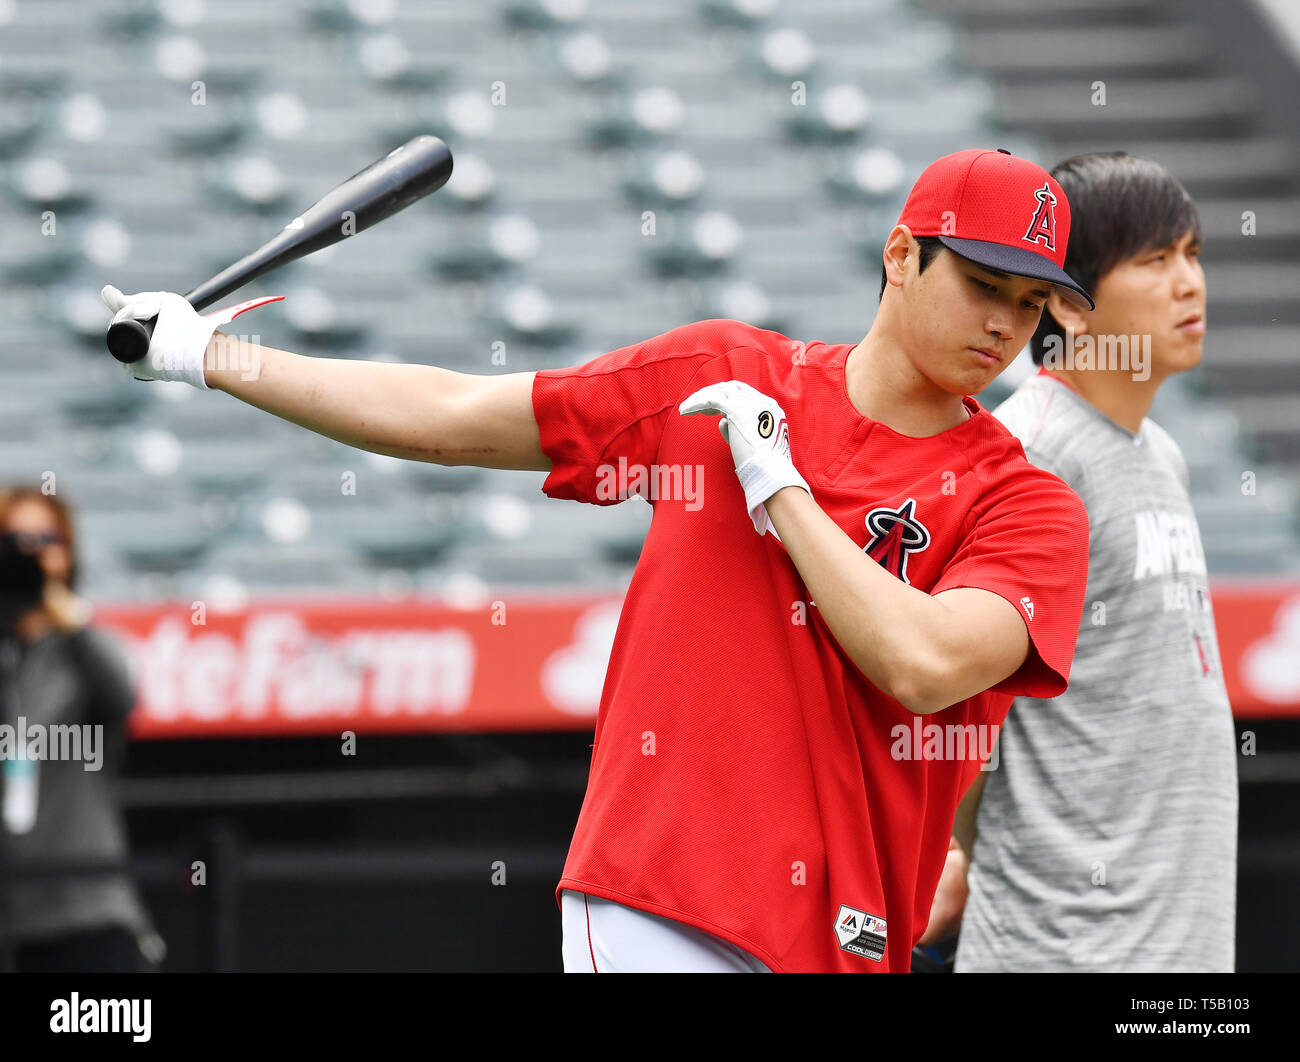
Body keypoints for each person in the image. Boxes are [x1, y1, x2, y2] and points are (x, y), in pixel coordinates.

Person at [101, 147, 1093, 972]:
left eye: (1030, 301)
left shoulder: (1029, 503)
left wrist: (776, 487)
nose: (1006, 324)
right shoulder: (727, 375)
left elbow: (922, 668)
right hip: (663, 907)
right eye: (980, 284)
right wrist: (212, 359)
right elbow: (456, 417)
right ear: (899, 255)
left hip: (850, 938)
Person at [920, 152, 1238, 972]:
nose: (1188, 283)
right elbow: (950, 702)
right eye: (1154, 259)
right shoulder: (1032, 454)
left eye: (1194, 254)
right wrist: (970, 855)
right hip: (1065, 949)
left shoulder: (1160, 454)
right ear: (1072, 303)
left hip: (1174, 951)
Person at [0, 486, 162, 972]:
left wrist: (62, 611)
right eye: (16, 542)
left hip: (85, 917)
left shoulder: (82, 651)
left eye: (46, 541)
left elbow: (123, 697)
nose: (32, 554)